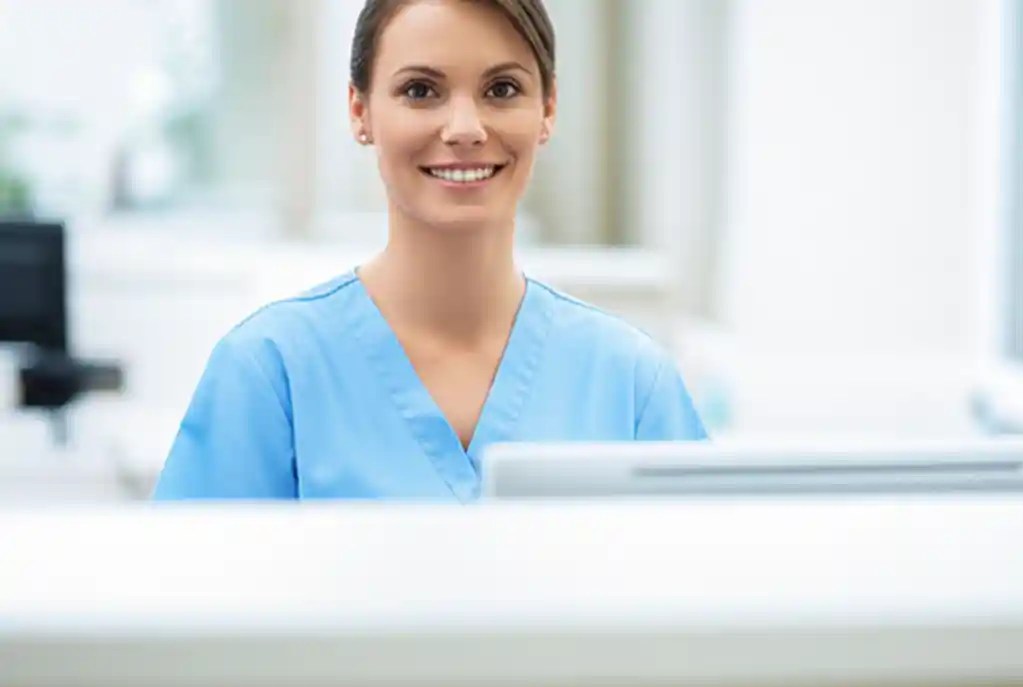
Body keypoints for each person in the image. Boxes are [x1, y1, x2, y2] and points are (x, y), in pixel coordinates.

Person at [154, 0, 706, 501]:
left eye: (503, 90)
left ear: (549, 108)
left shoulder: (630, 383)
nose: (464, 128)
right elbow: (186, 596)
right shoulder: (271, 372)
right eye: (420, 91)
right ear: (359, 110)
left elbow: (710, 594)